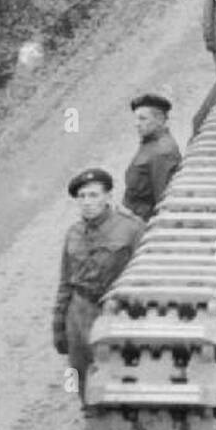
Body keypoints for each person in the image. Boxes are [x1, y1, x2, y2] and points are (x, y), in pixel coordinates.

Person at [52, 168, 143, 403]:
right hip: (79, 311)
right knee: (80, 369)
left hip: (115, 310)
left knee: (121, 369)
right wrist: (59, 325)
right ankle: (90, 410)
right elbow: (65, 281)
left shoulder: (131, 228)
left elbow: (146, 277)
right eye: (81, 197)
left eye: (93, 195)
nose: (87, 202)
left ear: (108, 197)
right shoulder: (73, 234)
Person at [123, 93, 181, 222]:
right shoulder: (150, 144)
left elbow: (163, 203)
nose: (136, 124)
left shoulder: (162, 153)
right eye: (136, 119)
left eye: (142, 119)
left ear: (160, 120)